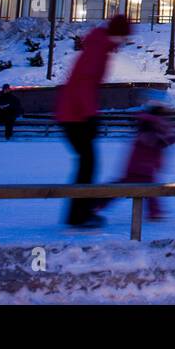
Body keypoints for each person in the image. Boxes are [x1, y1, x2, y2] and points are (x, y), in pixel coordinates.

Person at [55, 14, 132, 227]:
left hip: (72, 112)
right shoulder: (98, 49)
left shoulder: (99, 46)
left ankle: (78, 213)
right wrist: (90, 116)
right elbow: (85, 85)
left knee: (86, 163)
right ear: (119, 34)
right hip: (75, 115)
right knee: (87, 164)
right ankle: (79, 215)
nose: (125, 42)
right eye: (125, 37)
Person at [104, 90, 175, 221]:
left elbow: (162, 138)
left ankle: (155, 212)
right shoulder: (150, 123)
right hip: (141, 164)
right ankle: (96, 201)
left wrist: (171, 137)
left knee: (141, 187)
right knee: (127, 187)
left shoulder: (153, 121)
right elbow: (155, 140)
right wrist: (172, 137)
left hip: (143, 164)